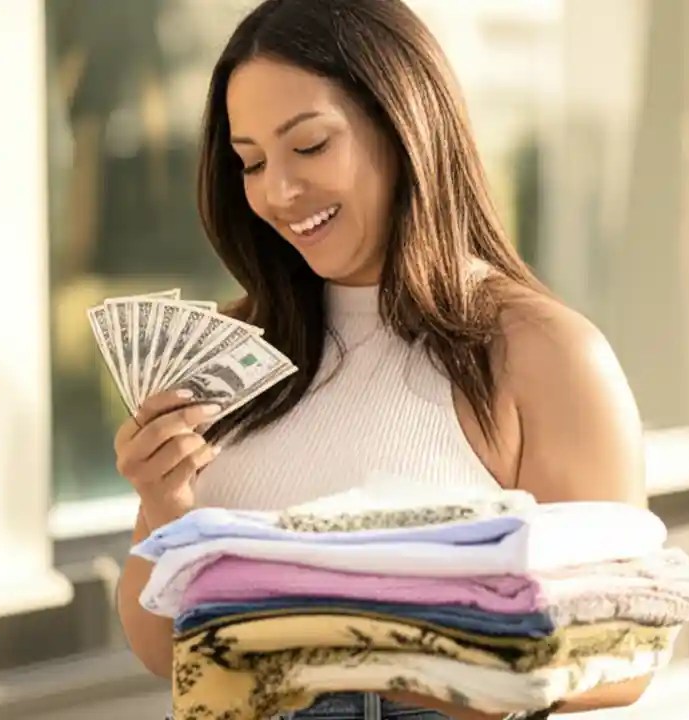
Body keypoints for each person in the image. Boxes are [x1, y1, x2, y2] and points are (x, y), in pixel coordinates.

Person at [113, 0, 650, 717]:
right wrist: (163, 505)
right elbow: (164, 655)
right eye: (251, 162)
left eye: (308, 146)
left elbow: (625, 653)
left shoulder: (542, 352)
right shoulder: (228, 358)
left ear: (404, 125)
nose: (277, 191)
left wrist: (415, 657)